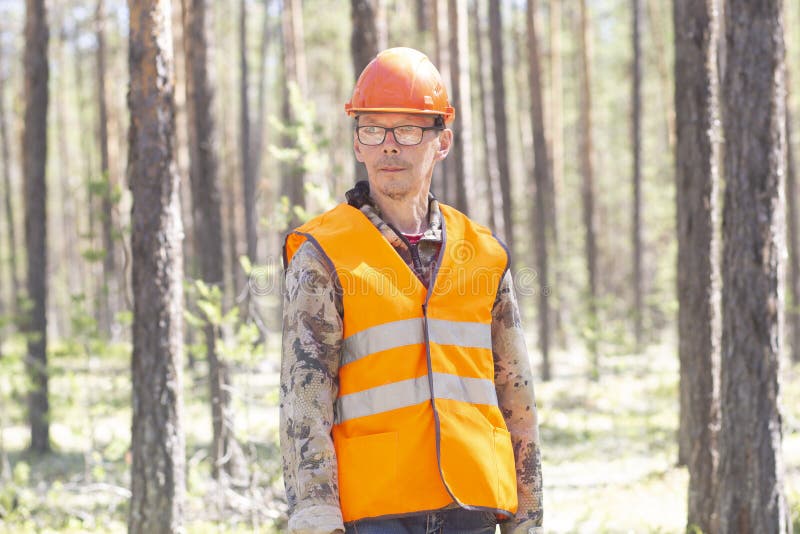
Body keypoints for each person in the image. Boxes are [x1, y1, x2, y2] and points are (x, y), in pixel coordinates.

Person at [280, 47, 543, 534]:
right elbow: (303, 399)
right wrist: (315, 515)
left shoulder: (484, 254)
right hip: (376, 511)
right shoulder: (323, 253)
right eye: (372, 130)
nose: (389, 146)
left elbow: (516, 397)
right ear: (358, 144)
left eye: (406, 130)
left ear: (441, 141)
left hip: (475, 504)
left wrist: (528, 517)